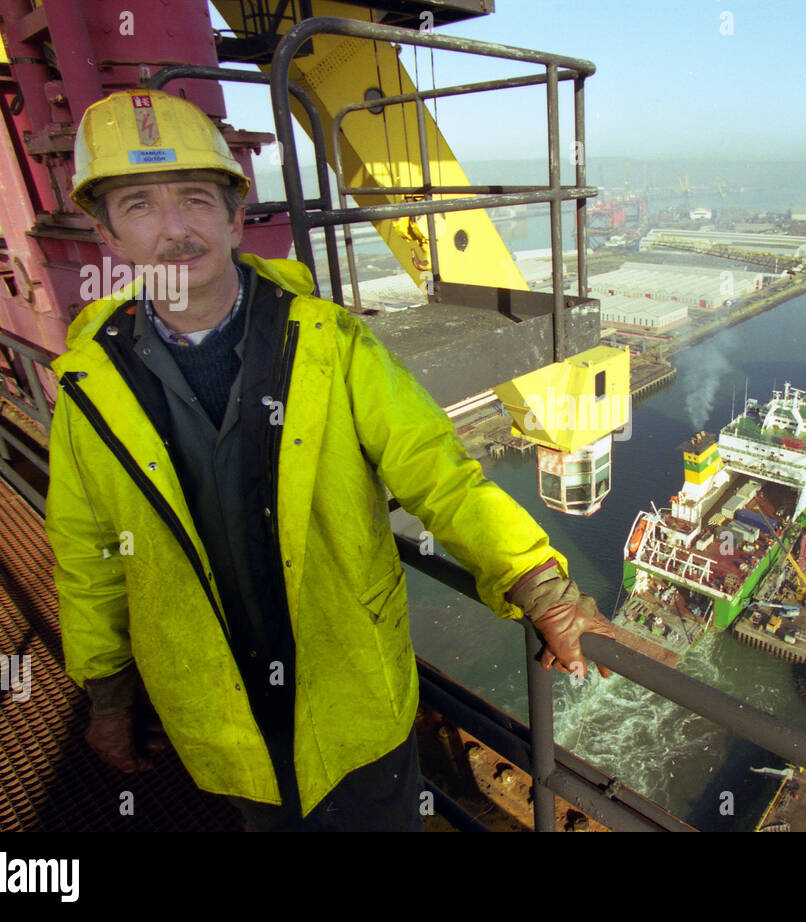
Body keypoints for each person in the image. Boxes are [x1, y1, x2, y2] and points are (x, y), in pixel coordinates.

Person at [44, 89, 616, 831]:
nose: (176, 231)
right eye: (140, 206)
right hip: (220, 722)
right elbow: (86, 555)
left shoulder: (330, 343)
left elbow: (437, 472)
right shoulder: (88, 385)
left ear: (235, 217)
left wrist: (542, 586)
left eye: (194, 199)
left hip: (353, 706)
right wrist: (109, 694)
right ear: (107, 233)